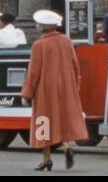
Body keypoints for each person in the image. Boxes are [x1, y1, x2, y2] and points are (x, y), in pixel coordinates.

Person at [21, 10, 89, 172]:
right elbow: (75, 65)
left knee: (44, 121)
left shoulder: (39, 44)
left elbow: (33, 71)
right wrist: (74, 85)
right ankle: (66, 147)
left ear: (42, 26)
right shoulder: (66, 40)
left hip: (45, 89)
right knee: (62, 118)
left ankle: (46, 159)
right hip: (65, 86)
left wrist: (27, 93)